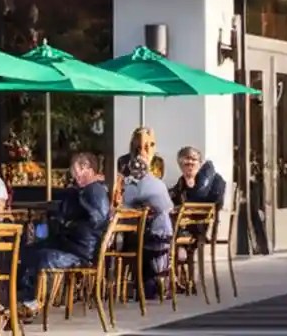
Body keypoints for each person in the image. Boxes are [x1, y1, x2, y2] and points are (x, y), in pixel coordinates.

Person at [16, 152, 111, 312]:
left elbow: (97, 221)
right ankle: (23, 299)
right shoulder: (82, 191)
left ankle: (29, 302)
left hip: (80, 252)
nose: (73, 176)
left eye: (74, 171)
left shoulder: (95, 191)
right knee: (27, 249)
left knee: (39, 255)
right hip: (70, 244)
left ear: (86, 167)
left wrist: (69, 223)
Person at [122, 157, 174, 300]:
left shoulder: (135, 186)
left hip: (151, 234)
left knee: (133, 243)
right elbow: (168, 207)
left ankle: (141, 286)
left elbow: (127, 205)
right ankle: (151, 286)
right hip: (161, 234)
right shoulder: (158, 184)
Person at [115, 127, 164, 205]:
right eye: (139, 146)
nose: (145, 149)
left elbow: (156, 181)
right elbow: (120, 183)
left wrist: (147, 165)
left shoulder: (157, 162)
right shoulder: (123, 161)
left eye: (151, 144)